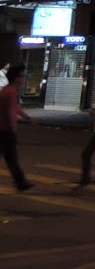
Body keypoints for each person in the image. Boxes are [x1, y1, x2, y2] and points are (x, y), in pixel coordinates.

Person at [0, 63, 34, 192]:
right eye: (22, 76)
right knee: (12, 160)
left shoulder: (6, 90)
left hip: (3, 131)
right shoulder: (10, 92)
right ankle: (21, 183)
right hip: (5, 131)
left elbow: (16, 108)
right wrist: (13, 131)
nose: (23, 78)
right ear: (16, 78)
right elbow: (10, 112)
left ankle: (21, 183)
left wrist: (28, 118)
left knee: (11, 160)